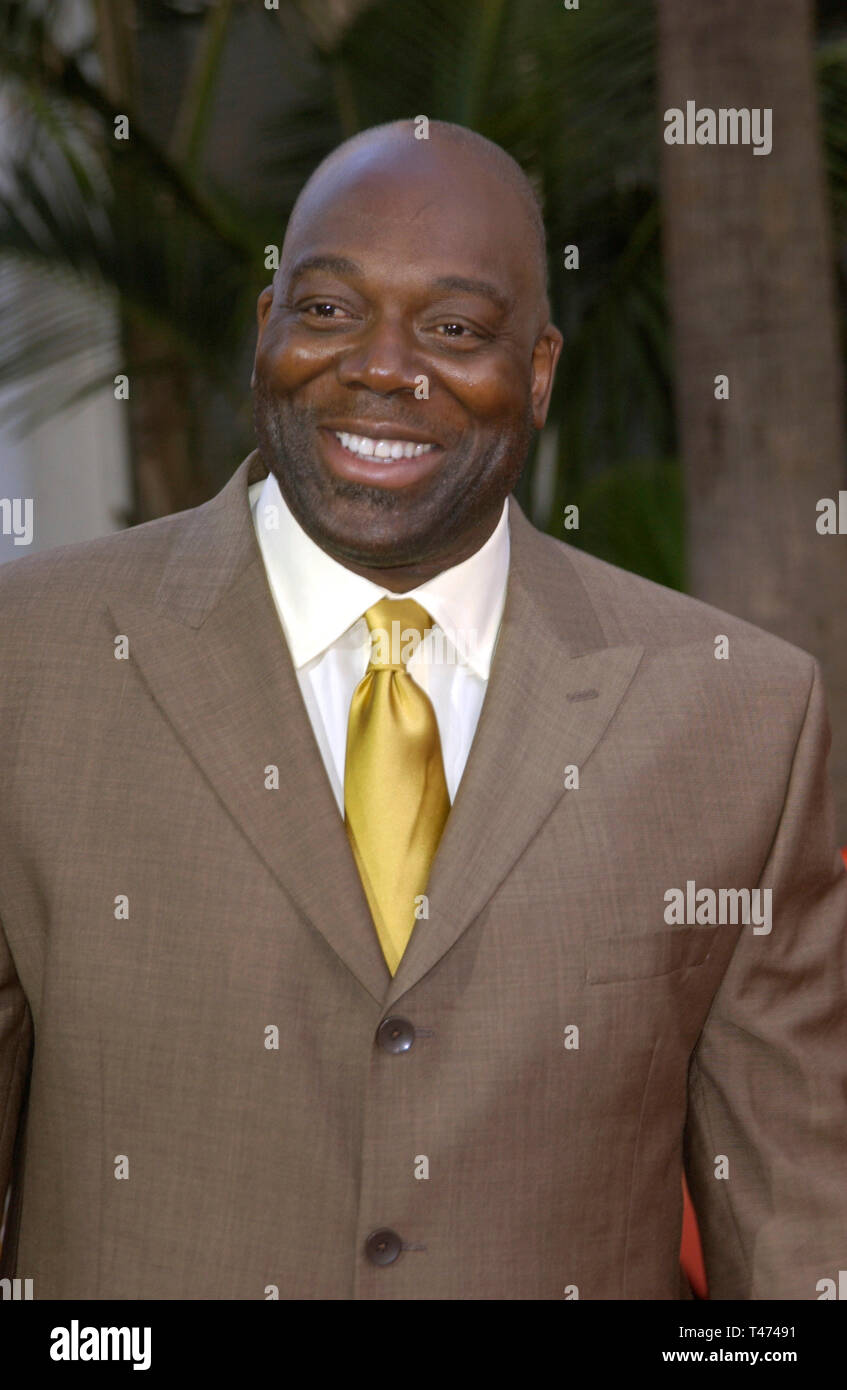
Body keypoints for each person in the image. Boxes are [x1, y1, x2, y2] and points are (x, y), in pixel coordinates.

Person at [0, 118, 845, 1301]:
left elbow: (798, 1217)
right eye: (331, 311)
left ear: (537, 373)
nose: (383, 367)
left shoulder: (737, 713)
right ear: (266, 329)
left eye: (452, 329)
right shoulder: (27, 660)